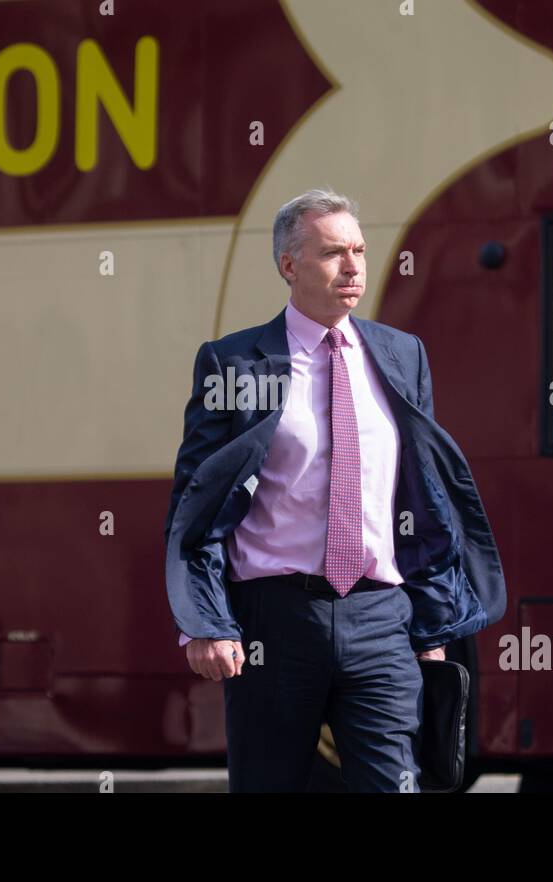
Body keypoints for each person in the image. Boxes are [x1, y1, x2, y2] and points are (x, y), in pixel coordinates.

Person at [164, 188, 506, 792]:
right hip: (273, 620)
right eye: (331, 254)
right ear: (288, 266)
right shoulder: (236, 364)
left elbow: (420, 502)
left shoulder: (403, 356)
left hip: (380, 618)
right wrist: (205, 622)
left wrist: (432, 632)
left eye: (359, 251)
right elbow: (197, 502)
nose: (352, 268)